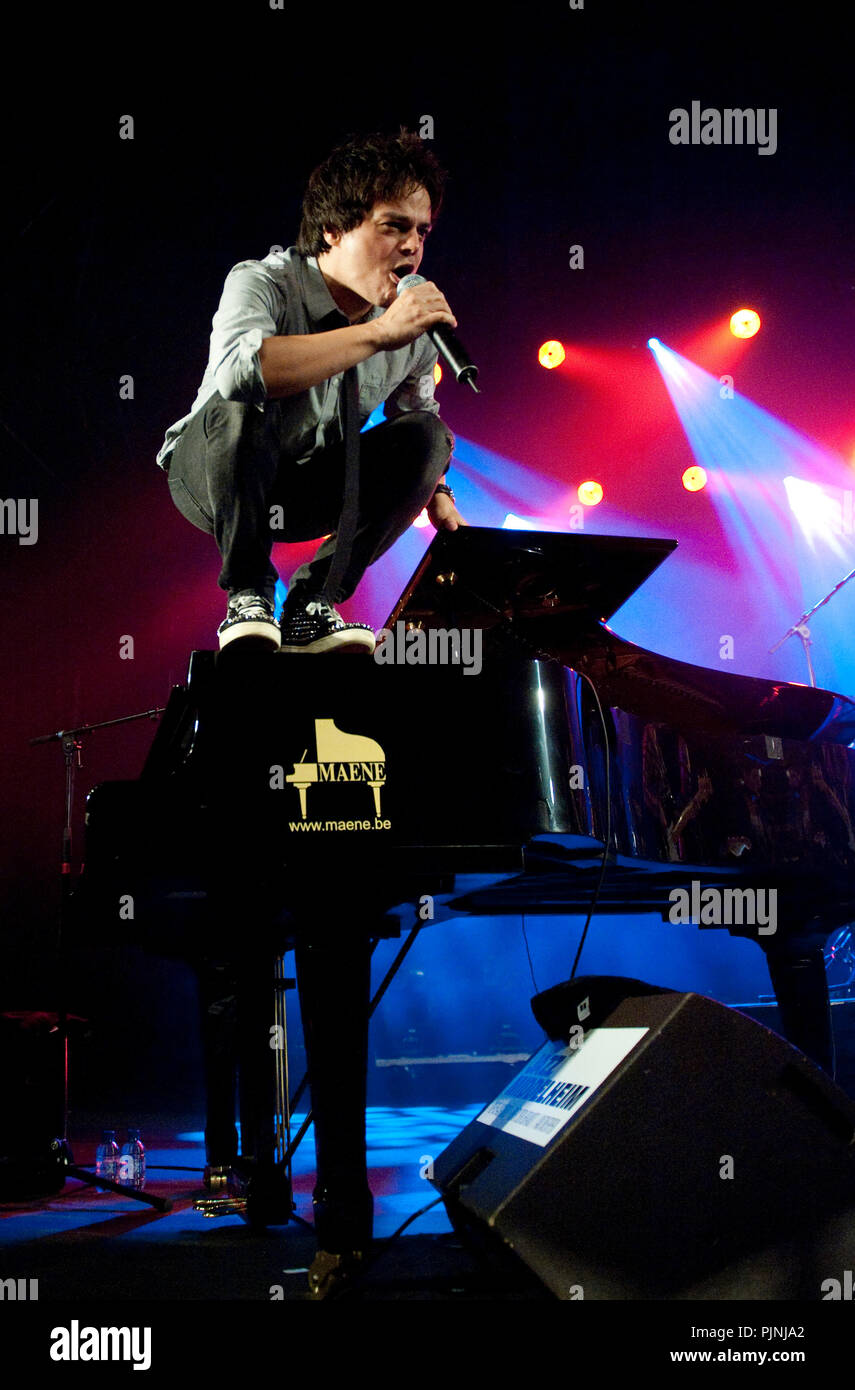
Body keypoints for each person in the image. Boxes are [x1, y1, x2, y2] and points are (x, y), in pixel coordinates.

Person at [157, 129, 465, 654]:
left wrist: (438, 495)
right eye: (393, 226)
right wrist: (376, 334)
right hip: (216, 473)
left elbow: (418, 413)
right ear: (332, 230)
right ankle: (248, 594)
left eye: (422, 231)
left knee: (431, 435)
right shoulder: (264, 281)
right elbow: (239, 372)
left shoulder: (410, 327)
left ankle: (311, 605)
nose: (412, 246)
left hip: (310, 486)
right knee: (247, 392)